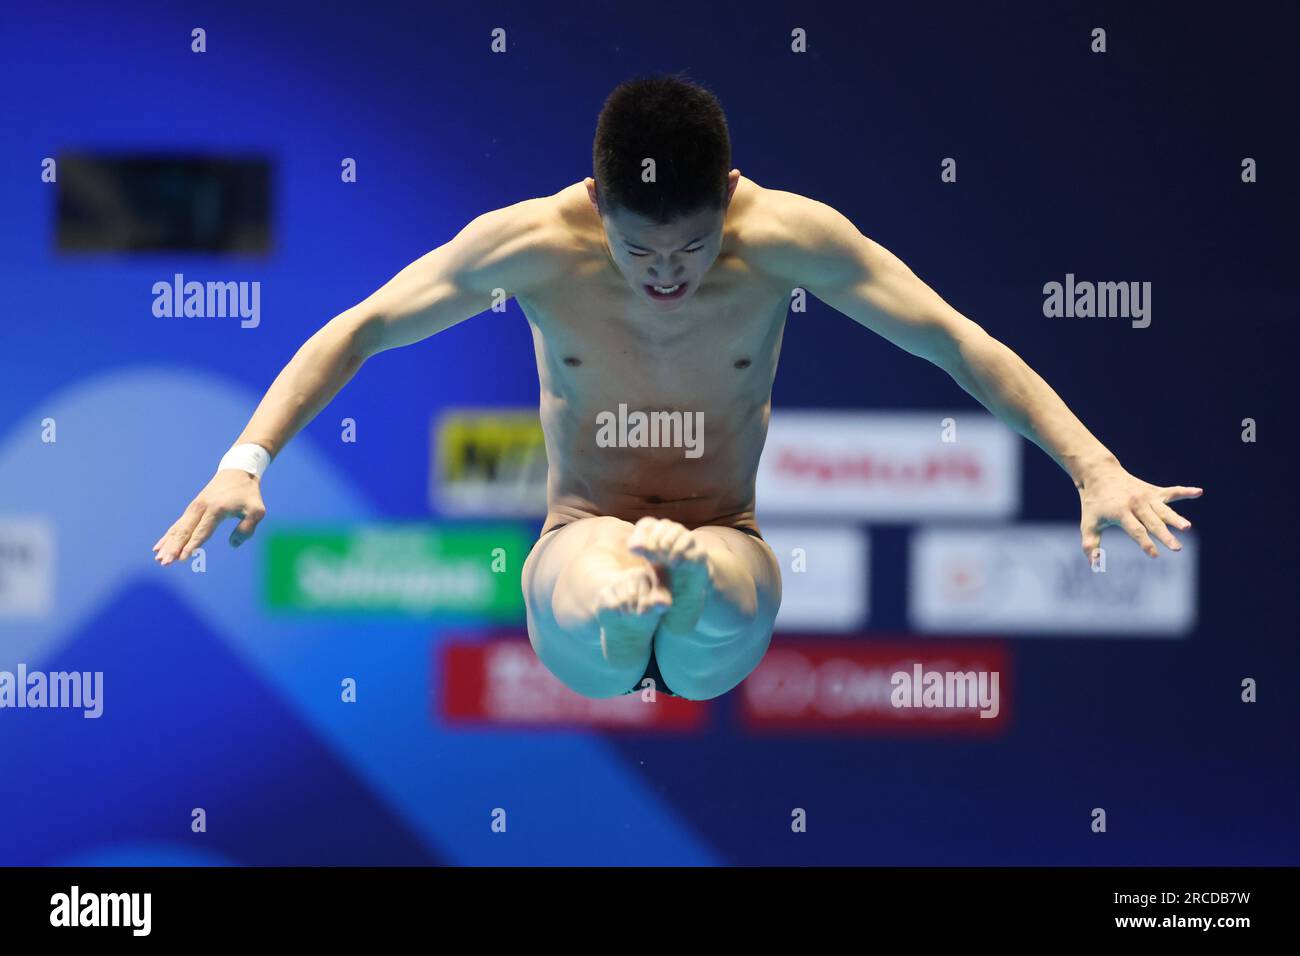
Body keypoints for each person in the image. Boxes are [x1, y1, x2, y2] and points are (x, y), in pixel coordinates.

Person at [153, 74, 1202, 701]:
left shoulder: (792, 237)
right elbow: (363, 327)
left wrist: (1094, 466)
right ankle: (629, 594)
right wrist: (247, 459)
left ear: (730, 200)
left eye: (692, 250)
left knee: (721, 599)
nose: (666, 274)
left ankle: (676, 582)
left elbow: (955, 342)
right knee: (592, 577)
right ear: (596, 200)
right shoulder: (527, 243)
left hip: (726, 526)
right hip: (581, 523)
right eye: (639, 249)